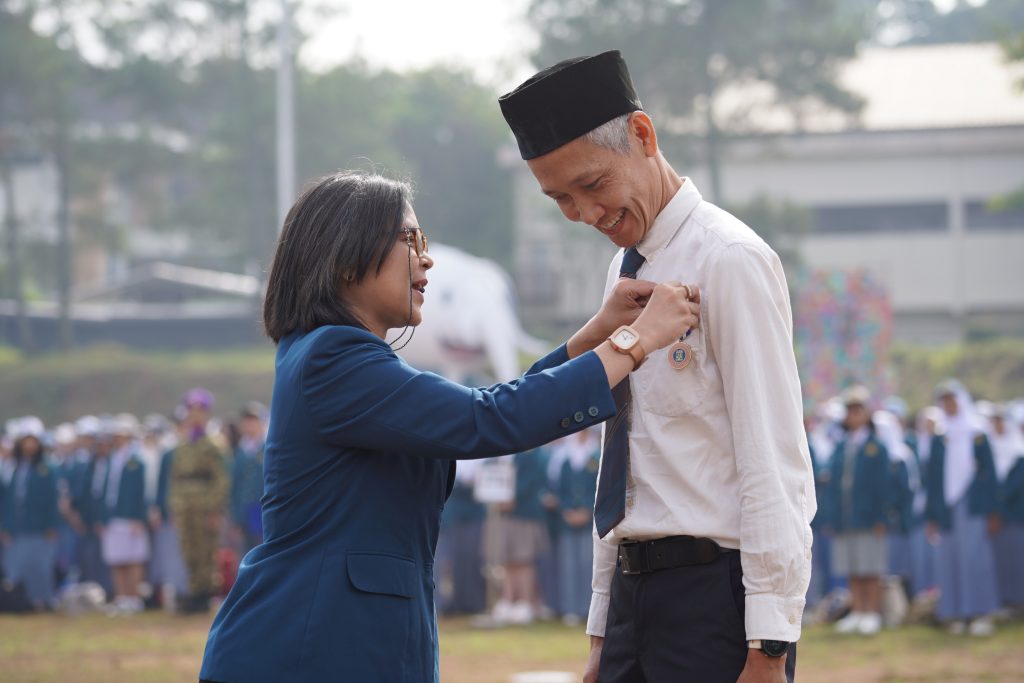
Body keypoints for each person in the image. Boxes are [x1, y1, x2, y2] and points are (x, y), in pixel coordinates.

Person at [198, 170, 699, 683]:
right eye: (410, 239)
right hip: (312, 643)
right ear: (347, 258)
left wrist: (597, 333)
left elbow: (490, 408)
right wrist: (635, 342)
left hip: (345, 637)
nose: (427, 258)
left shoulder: (332, 357)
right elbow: (489, 419)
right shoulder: (334, 357)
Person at [499, 50, 813, 682]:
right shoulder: (623, 271)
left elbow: (773, 458)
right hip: (632, 602)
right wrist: (600, 629)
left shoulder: (730, 259)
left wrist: (769, 645)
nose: (586, 215)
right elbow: (626, 460)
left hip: (713, 600)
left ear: (642, 135)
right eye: (560, 199)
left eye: (592, 185)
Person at [924, 380, 1000, 636]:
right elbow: (933, 479)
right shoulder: (939, 438)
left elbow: (989, 475)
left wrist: (992, 511)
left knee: (975, 559)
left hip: (973, 504)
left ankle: (980, 613)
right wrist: (932, 515)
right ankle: (955, 613)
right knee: (950, 560)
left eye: (952, 398)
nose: (949, 404)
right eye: (944, 400)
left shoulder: (977, 434)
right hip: (946, 508)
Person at [819, 387, 890, 636]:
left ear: (867, 414)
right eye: (850, 411)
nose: (854, 415)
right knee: (852, 567)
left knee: (870, 567)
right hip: (846, 518)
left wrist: (882, 517)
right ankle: (858, 611)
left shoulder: (876, 446)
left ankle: (872, 613)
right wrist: (831, 516)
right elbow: (833, 484)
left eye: (858, 410)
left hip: (869, 517)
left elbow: (883, 484)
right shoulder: (841, 446)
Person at [167, 389, 228, 614]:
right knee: (189, 549)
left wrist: (215, 508)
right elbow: (175, 479)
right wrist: (175, 507)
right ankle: (194, 592)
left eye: (199, 410)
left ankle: (205, 594)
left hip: (204, 506)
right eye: (190, 410)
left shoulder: (213, 445)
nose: (194, 415)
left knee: (206, 551)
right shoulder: (183, 445)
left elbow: (221, 480)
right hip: (185, 506)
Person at [0, 417, 59, 609]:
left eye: (33, 440)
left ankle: (42, 600)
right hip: (17, 527)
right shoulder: (13, 467)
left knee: (40, 566)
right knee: (17, 565)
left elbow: (52, 499)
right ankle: (19, 601)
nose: (29, 445)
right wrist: (5, 525)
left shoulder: (47, 468)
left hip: (40, 527)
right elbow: (7, 499)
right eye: (26, 440)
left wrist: (51, 524)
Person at [100, 414, 150, 615]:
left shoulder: (136, 461)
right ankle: (121, 597)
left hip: (130, 517)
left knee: (133, 559)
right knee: (117, 559)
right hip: (113, 515)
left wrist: (138, 517)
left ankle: (134, 598)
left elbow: (141, 492)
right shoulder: (110, 460)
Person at [554, 426, 602, 625]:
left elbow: (599, 486)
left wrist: (587, 510)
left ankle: (587, 608)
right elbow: (560, 489)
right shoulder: (565, 458)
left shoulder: (596, 455)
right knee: (569, 565)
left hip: (589, 519)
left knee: (588, 564)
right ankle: (570, 608)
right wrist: (566, 510)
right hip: (568, 520)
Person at [988, 403, 1024, 610]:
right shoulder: (989, 452)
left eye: (1001, 423)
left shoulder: (1019, 454)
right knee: (1001, 562)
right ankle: (1004, 601)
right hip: (996, 520)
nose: (998, 427)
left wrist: (998, 505)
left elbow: (1015, 487)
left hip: (1016, 517)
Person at [229, 402, 267, 557]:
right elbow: (235, 485)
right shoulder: (240, 451)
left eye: (253, 420)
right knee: (246, 554)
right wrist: (235, 517)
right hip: (245, 510)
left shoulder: (269, 447)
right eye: (247, 421)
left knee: (263, 552)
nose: (250, 425)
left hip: (263, 509)